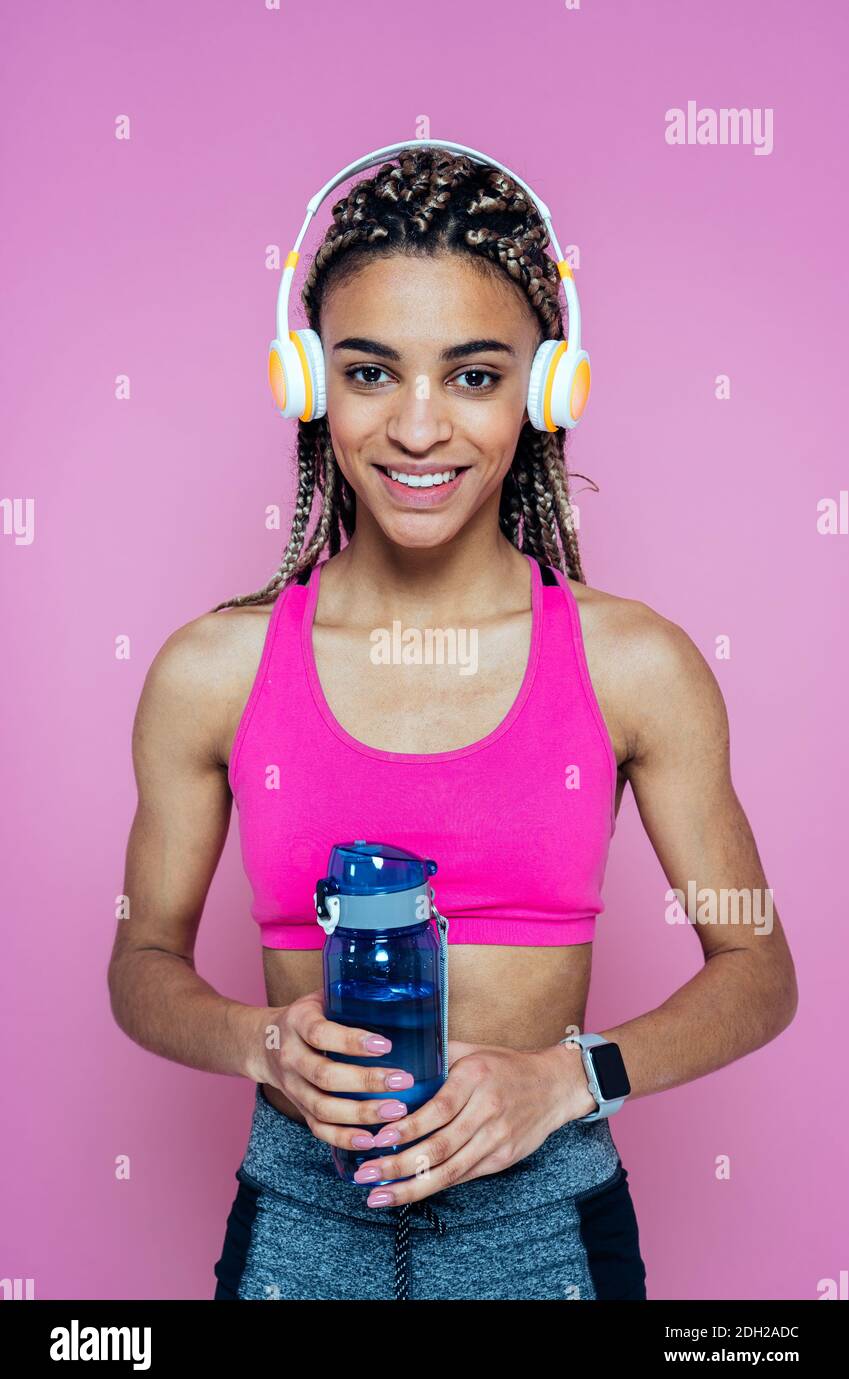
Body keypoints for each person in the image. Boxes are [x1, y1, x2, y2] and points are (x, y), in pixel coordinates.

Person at [108, 143, 798, 1301]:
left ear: (544, 389)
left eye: (474, 376)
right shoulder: (211, 671)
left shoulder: (635, 664)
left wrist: (569, 1079)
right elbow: (141, 961)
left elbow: (758, 969)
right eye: (372, 373)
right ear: (309, 379)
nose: (419, 429)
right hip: (297, 1225)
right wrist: (255, 1041)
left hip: (546, 1230)